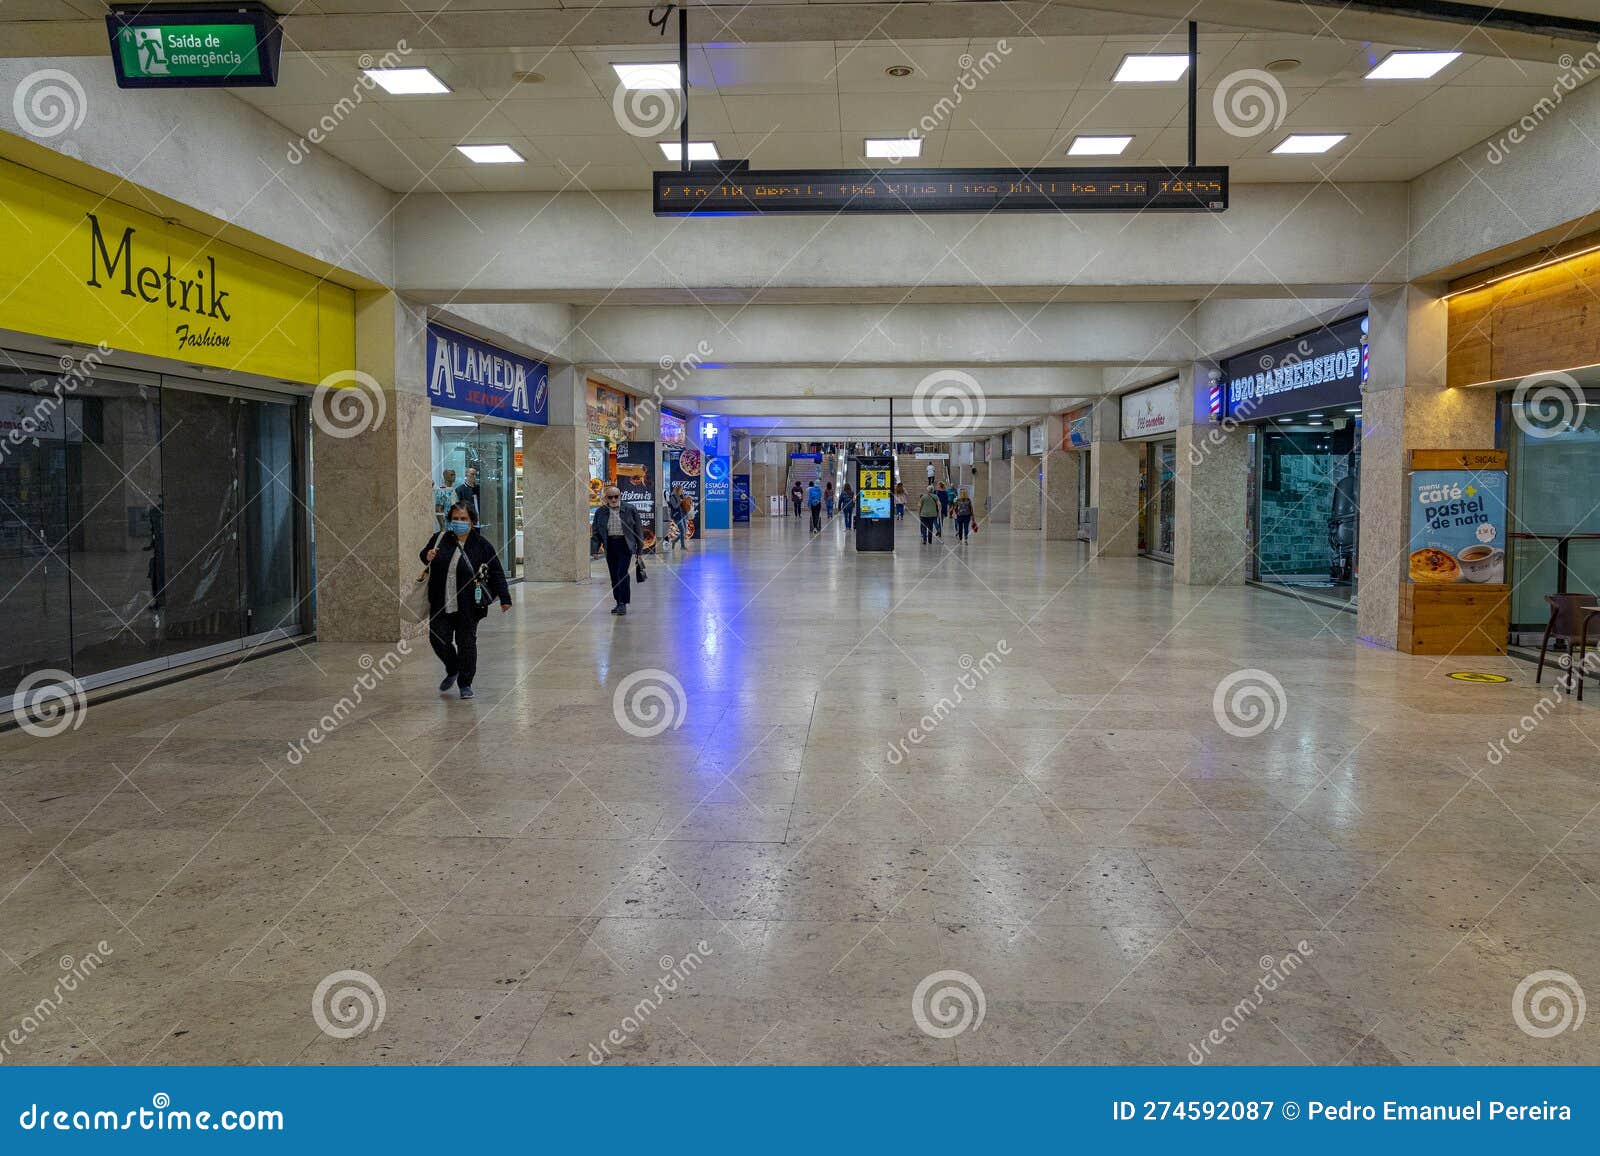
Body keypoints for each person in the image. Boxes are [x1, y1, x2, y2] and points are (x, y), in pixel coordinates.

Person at [421, 502, 511, 700]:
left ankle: (465, 683)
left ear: (472, 522)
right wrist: (427, 555)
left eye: (463, 519)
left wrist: (505, 598)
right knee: (437, 638)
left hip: (469, 605)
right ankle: (453, 668)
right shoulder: (440, 538)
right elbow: (424, 555)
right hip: (440, 602)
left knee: (466, 643)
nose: (459, 522)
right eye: (455, 519)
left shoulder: (481, 545)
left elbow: (495, 571)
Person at [590, 485, 645, 615]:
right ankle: (618, 601)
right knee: (614, 575)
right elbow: (597, 532)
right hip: (610, 545)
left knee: (622, 573)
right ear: (605, 498)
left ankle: (623, 603)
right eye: (610, 497)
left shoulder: (630, 509)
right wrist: (594, 549)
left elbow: (638, 529)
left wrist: (639, 549)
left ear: (620, 496)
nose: (614, 499)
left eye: (616, 496)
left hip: (625, 544)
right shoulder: (600, 512)